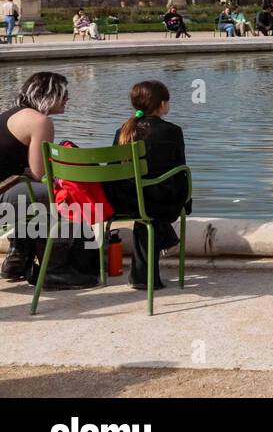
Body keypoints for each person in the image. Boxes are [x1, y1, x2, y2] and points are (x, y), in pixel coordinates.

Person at [0, 73, 97, 288]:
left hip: (6, 189)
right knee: (62, 197)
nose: (67, 99)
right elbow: (40, 174)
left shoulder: (12, 114)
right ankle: (55, 270)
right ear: (49, 95)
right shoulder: (40, 121)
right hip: (4, 196)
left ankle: (18, 260)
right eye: (64, 94)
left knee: (37, 195)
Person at [104, 82, 192, 291]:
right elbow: (180, 168)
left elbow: (113, 169)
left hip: (123, 200)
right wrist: (186, 201)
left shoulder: (123, 131)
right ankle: (144, 274)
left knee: (147, 205)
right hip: (155, 201)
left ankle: (143, 274)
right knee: (156, 205)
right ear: (162, 104)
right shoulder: (172, 131)